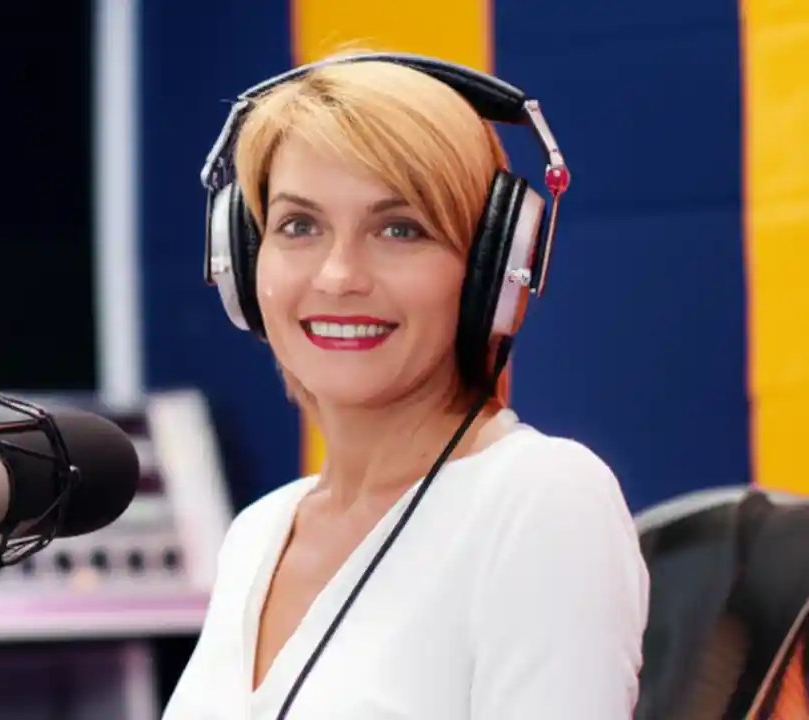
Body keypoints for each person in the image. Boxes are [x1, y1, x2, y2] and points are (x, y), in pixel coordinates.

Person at [162, 51, 650, 719]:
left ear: (491, 270)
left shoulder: (542, 498)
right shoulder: (258, 534)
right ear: (243, 263)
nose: (338, 276)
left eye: (400, 229)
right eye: (299, 226)